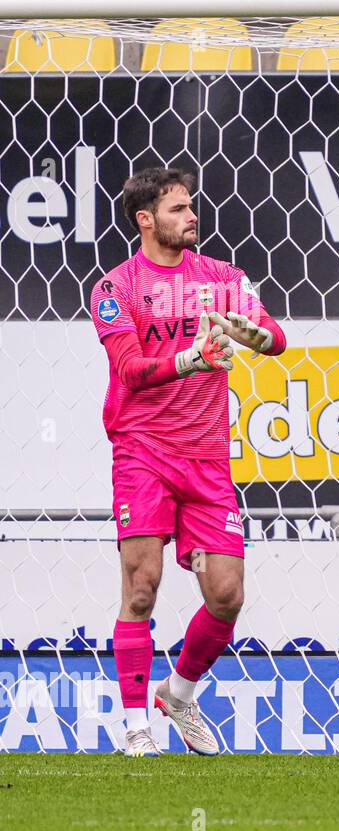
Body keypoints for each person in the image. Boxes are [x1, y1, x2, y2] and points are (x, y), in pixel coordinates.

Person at [89, 167, 287, 756]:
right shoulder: (114, 287)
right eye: (177, 209)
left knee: (226, 594)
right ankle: (135, 729)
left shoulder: (222, 278)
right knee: (142, 586)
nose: (191, 217)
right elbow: (128, 369)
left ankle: (177, 693)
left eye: (192, 206)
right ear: (145, 220)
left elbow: (276, 338)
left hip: (206, 456)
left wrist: (252, 334)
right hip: (142, 451)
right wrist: (191, 359)